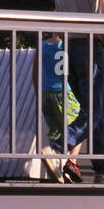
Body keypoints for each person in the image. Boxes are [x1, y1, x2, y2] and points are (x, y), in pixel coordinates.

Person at [54, 0, 104, 184]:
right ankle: (66, 139)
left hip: (68, 49)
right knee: (95, 110)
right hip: (90, 50)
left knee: (84, 108)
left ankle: (102, 167)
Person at [40, 33, 82, 183]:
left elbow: (35, 70)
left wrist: (39, 91)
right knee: (80, 125)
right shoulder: (67, 46)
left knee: (57, 130)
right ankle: (72, 161)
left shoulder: (43, 46)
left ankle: (57, 162)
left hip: (46, 93)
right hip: (65, 92)